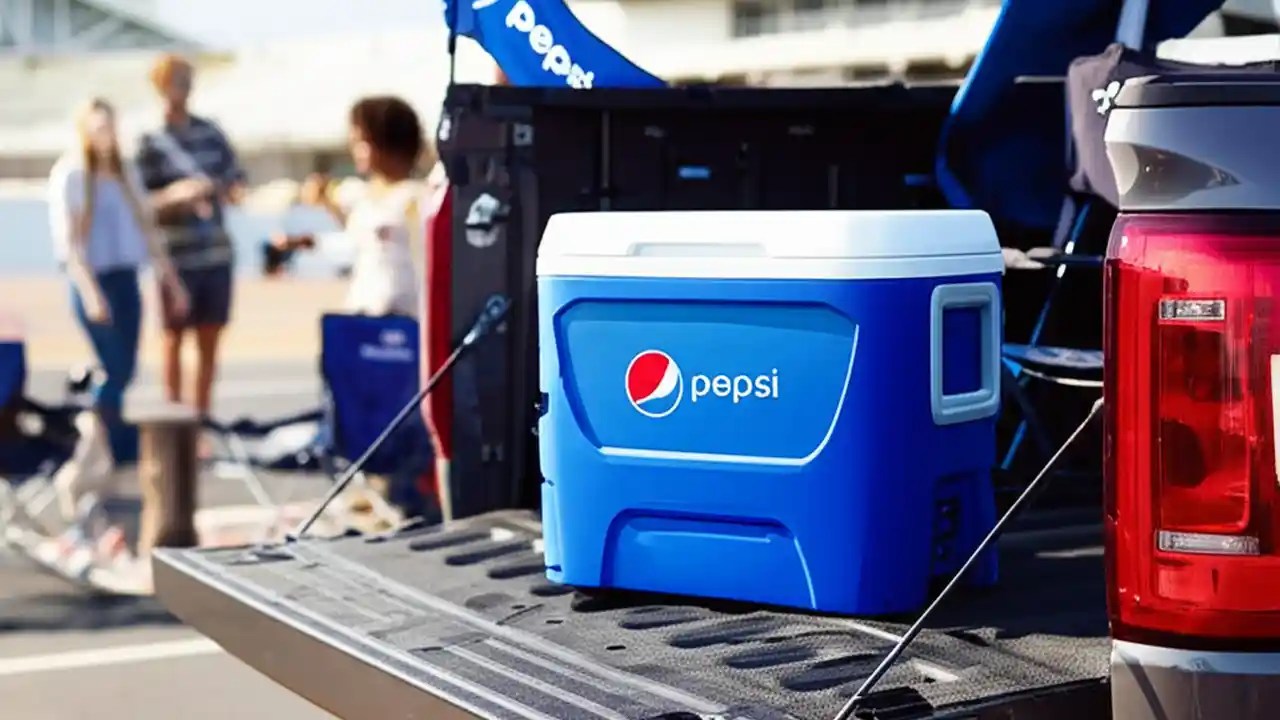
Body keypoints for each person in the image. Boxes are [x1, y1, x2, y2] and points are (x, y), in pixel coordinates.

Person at [275, 96, 436, 520]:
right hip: (362, 322)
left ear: (385, 142)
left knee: (401, 414)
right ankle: (370, 483)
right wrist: (304, 238)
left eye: (361, 141)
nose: (356, 151)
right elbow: (353, 244)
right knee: (357, 408)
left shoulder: (417, 198)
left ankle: (407, 491)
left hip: (403, 327)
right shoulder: (366, 198)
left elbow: (422, 262)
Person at [46, 97, 190, 561]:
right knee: (112, 371)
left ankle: (104, 455)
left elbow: (148, 231)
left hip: (127, 281)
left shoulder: (125, 173)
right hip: (95, 282)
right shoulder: (73, 175)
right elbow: (71, 244)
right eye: (98, 126)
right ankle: (91, 462)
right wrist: (89, 293)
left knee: (123, 375)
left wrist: (170, 280)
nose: (106, 134)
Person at [135, 53, 246, 428]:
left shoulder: (210, 132)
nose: (182, 88)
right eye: (174, 80)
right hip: (175, 259)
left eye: (186, 79)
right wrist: (177, 195)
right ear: (159, 86)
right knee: (172, 340)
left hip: (215, 253)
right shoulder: (148, 141)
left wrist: (225, 190)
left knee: (210, 340)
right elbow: (139, 204)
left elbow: (236, 180)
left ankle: (201, 421)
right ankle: (175, 422)